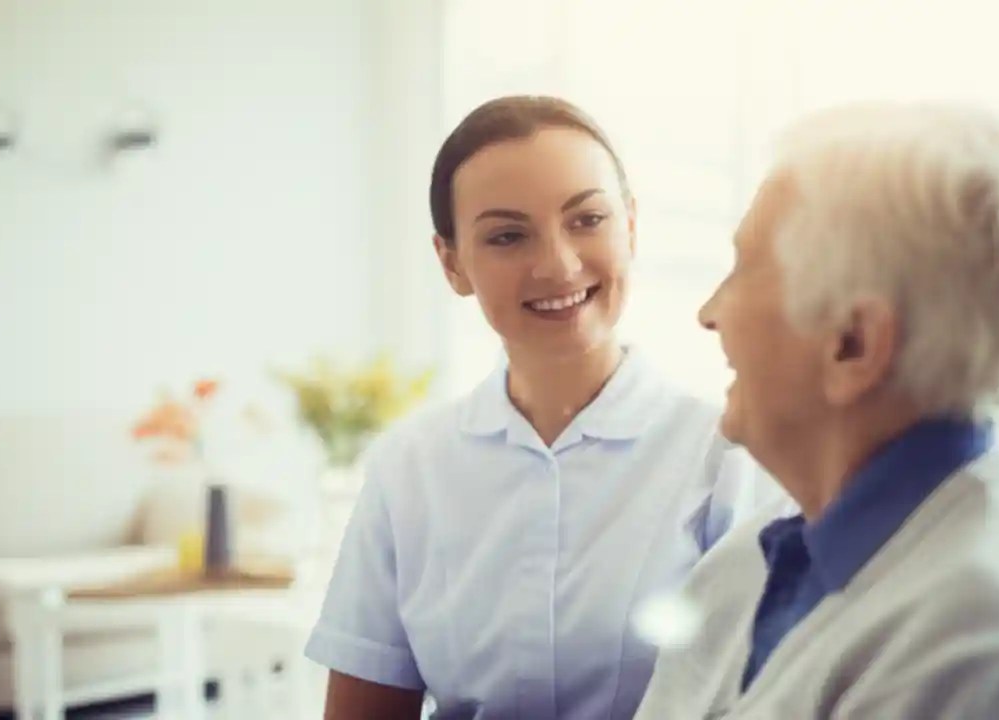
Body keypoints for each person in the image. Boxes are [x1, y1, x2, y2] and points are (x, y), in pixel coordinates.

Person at [634, 102, 999, 719]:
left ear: (852, 345)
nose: (709, 313)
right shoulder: (755, 556)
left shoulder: (985, 645)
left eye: (744, 268)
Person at [305, 95, 788, 719]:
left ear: (631, 227)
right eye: (507, 236)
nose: (558, 264)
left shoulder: (728, 455)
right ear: (452, 263)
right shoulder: (408, 469)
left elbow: (770, 696)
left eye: (587, 220)